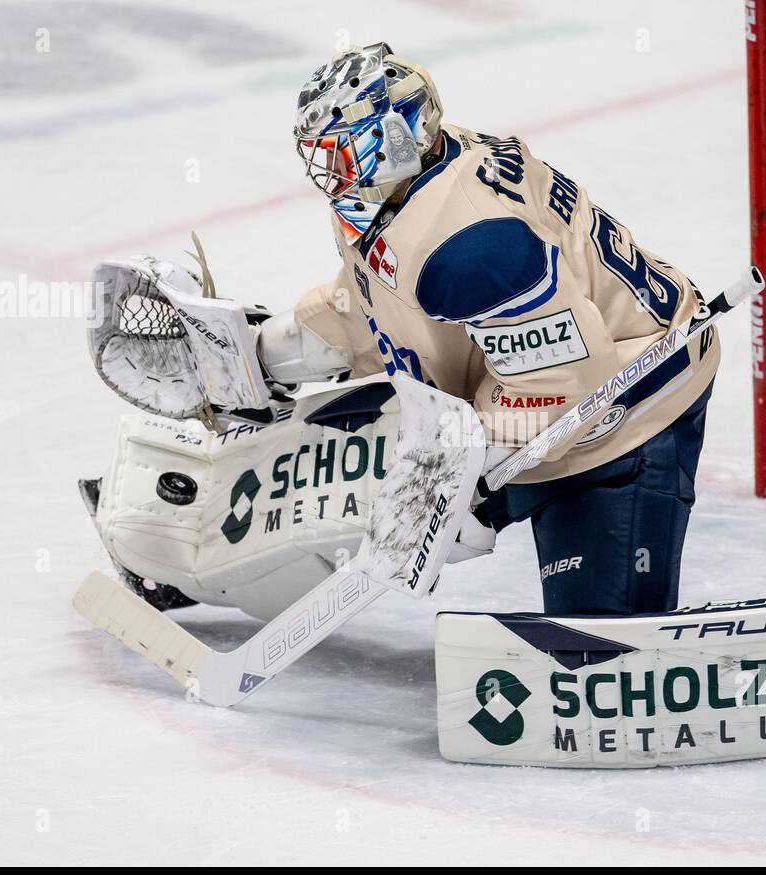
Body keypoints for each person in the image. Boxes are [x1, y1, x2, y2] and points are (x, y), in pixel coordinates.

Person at [258, 42, 719, 616]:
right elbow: (386, 299)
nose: (331, 174)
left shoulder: (471, 242)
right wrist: (273, 351)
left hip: (625, 407)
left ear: (397, 134)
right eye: (322, 155)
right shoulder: (405, 186)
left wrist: (453, 472)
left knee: (594, 660)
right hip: (536, 372)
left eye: (344, 152)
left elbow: (563, 385)